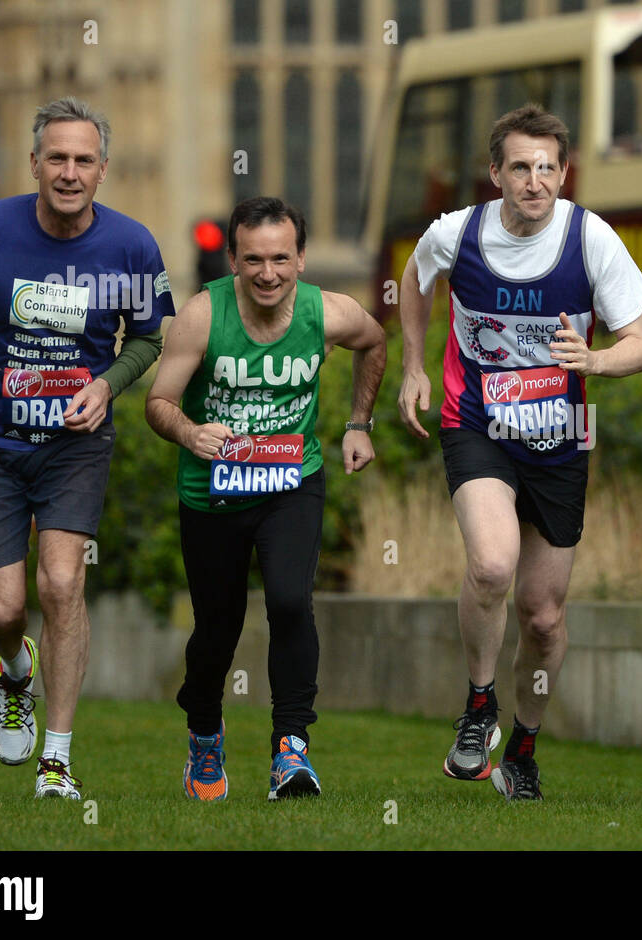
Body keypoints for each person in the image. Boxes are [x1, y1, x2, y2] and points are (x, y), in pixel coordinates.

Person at [0, 97, 171, 798]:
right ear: (34, 163)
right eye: (56, 157)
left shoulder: (132, 246)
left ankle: (56, 761)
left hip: (73, 444)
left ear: (103, 169)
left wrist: (107, 385)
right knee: (0, 610)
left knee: (62, 583)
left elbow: (148, 336)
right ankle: (16, 671)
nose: (69, 171)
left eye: (83, 159)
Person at [398, 104, 642, 801]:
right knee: (491, 566)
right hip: (477, 424)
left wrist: (595, 363)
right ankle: (479, 706)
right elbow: (414, 286)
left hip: (559, 442)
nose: (534, 181)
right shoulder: (457, 234)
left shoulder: (592, 238)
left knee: (542, 616)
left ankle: (526, 748)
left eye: (547, 168)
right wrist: (414, 368)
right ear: (495, 174)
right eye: (520, 167)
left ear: (563, 174)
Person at [146, 197, 385, 801]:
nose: (268, 273)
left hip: (290, 482)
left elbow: (375, 340)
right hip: (212, 491)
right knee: (216, 630)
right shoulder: (201, 316)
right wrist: (191, 432)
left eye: (281, 258)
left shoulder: (329, 312)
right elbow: (159, 402)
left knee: (288, 600)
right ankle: (204, 731)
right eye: (253, 259)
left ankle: (291, 752)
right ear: (232, 259)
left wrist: (360, 423)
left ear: (302, 258)